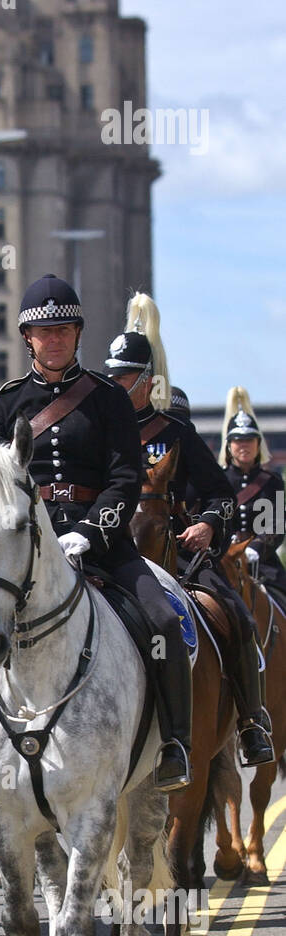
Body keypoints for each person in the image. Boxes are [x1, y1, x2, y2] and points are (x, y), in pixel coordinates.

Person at [0, 272, 194, 804]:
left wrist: (88, 533)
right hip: (23, 543)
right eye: (44, 331)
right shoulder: (6, 403)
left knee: (165, 622)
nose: (54, 339)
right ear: (27, 339)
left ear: (77, 335)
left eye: (64, 330)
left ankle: (174, 744)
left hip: (96, 538)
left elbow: (126, 479)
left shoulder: (108, 399)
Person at [105, 301, 273, 766]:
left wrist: (208, 524)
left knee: (236, 614)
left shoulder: (174, 429)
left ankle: (251, 721)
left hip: (178, 555)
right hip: (105, 551)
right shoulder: (94, 429)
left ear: (146, 381)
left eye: (125, 378)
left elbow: (221, 495)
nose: (115, 385)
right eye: (111, 376)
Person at [221, 387, 286, 603]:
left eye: (249, 440)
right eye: (238, 440)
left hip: (263, 563)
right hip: (224, 559)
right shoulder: (217, 481)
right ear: (229, 446)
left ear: (258, 444)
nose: (244, 445)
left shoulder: (271, 482)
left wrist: (255, 549)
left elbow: (275, 526)